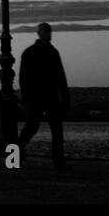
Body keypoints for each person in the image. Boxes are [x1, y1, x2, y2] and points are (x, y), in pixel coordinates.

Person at [17, 23, 71, 169]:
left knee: (43, 128)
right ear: (40, 33)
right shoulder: (48, 52)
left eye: (49, 31)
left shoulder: (33, 52)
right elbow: (60, 77)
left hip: (42, 96)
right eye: (46, 31)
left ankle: (58, 162)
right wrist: (65, 98)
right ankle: (58, 162)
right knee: (41, 128)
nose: (49, 34)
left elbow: (60, 77)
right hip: (41, 96)